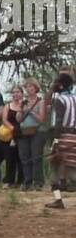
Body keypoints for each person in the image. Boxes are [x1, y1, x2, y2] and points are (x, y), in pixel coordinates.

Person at [46, 72, 76, 209]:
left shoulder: (60, 100)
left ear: (61, 85)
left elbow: (58, 122)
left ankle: (58, 200)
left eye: (57, 83)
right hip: (75, 137)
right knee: (72, 169)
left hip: (64, 136)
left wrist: (56, 140)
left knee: (55, 168)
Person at [17, 77, 50, 191]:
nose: (29, 89)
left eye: (31, 86)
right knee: (25, 157)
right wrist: (21, 109)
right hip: (24, 131)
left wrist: (30, 111)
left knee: (36, 157)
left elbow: (42, 119)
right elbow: (18, 119)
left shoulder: (41, 101)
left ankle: (38, 182)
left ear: (36, 88)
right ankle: (27, 181)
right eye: (27, 87)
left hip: (37, 131)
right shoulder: (24, 102)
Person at [1, 86, 24, 187]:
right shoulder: (8, 106)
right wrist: (12, 128)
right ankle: (9, 180)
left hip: (23, 133)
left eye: (18, 92)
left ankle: (21, 181)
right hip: (10, 134)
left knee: (21, 158)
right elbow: (4, 119)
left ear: (22, 93)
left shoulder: (25, 105)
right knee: (10, 158)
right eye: (13, 92)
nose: (15, 94)